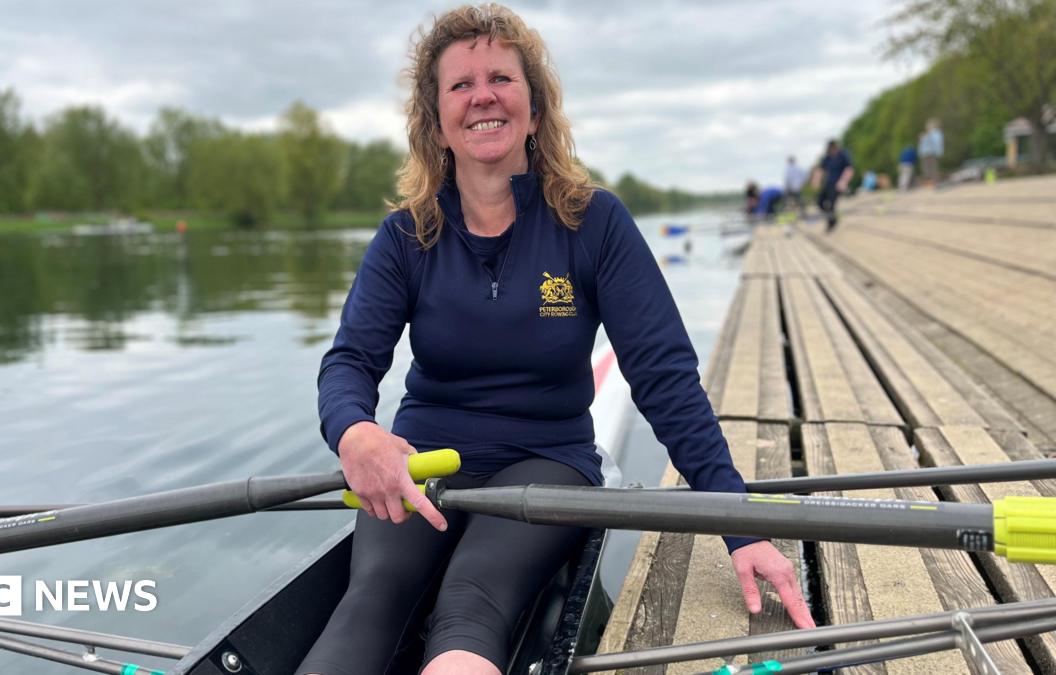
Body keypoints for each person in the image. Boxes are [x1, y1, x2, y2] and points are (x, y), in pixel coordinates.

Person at [302, 6, 814, 674]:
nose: (482, 94)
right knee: (369, 598)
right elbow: (349, 363)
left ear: (535, 111)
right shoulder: (405, 237)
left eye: (500, 78)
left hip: (545, 460)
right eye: (460, 85)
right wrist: (354, 433)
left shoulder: (593, 221)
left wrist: (739, 521)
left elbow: (663, 378)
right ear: (437, 124)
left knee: (470, 595)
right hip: (421, 461)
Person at [812, 139, 853, 233]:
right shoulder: (827, 157)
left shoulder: (843, 155)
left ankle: (831, 223)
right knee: (819, 202)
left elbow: (849, 169)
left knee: (831, 205)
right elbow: (820, 169)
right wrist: (816, 181)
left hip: (838, 185)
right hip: (828, 184)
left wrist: (843, 182)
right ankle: (832, 219)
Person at [919, 118, 943, 187]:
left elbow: (937, 143)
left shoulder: (935, 133)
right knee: (927, 170)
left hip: (931, 153)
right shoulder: (929, 133)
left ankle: (936, 183)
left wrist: (925, 137)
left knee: (933, 169)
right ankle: (932, 183)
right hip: (926, 153)